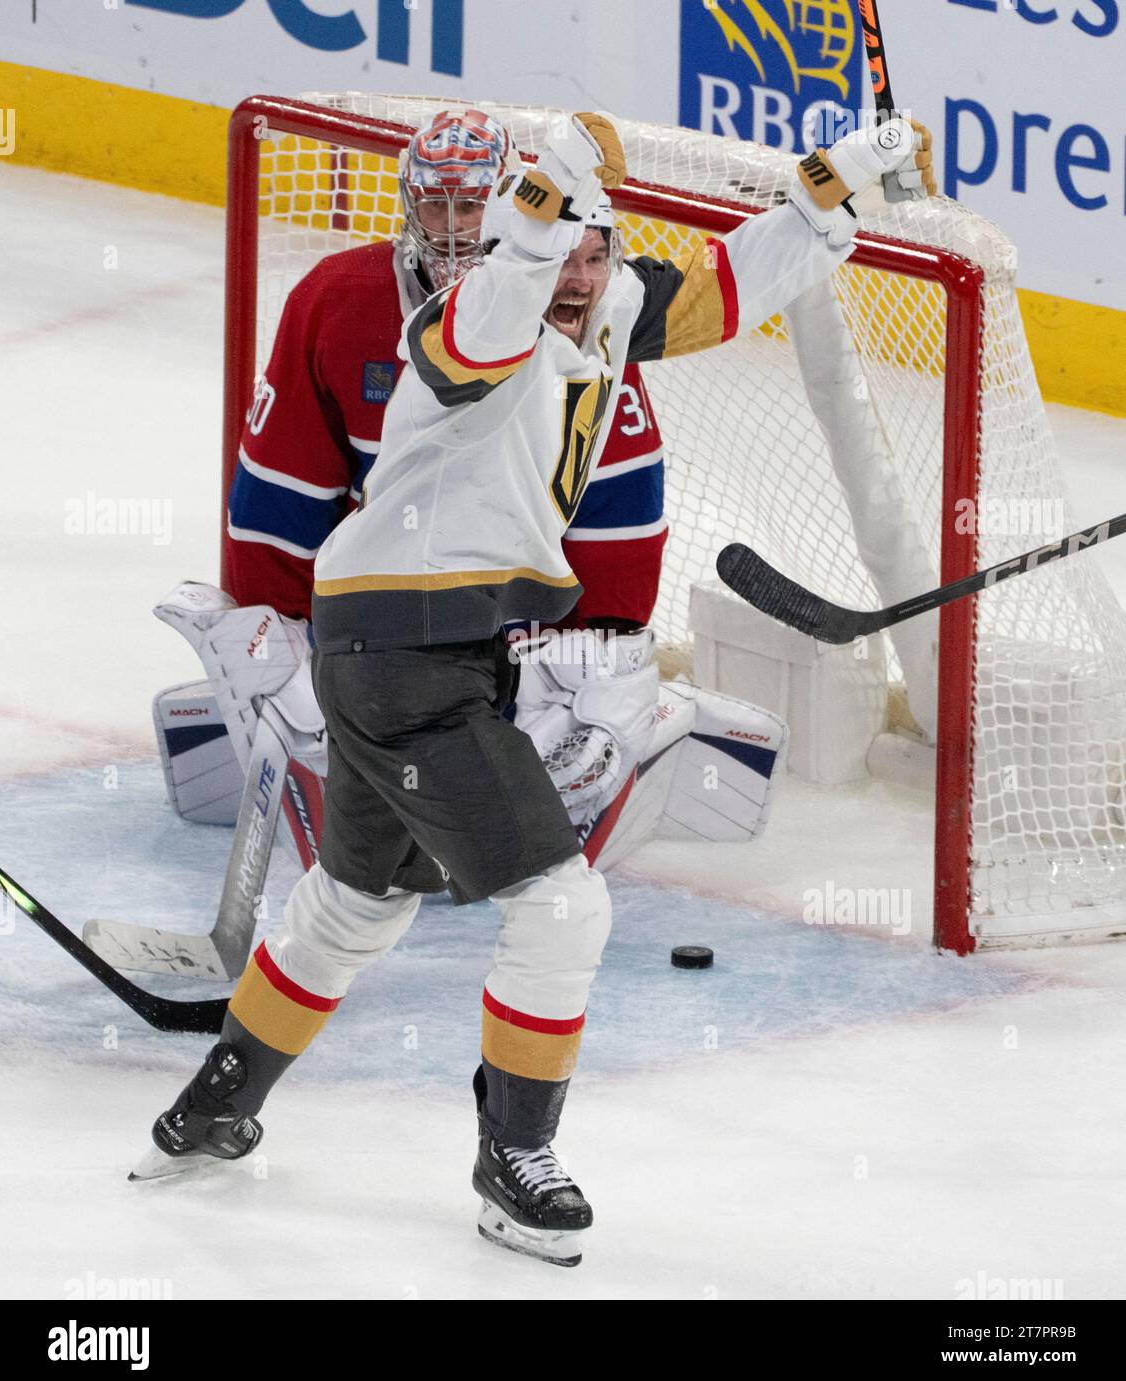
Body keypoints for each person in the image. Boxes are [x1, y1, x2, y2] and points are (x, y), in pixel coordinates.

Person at [133, 108, 934, 1267]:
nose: (577, 280)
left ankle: (212, 1105)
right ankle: (515, 1161)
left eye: (595, 258)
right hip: (401, 656)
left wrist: (839, 181)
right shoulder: (467, 320)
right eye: (558, 257)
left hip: (427, 651)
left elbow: (729, 281)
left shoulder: (603, 305)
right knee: (563, 907)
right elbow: (505, 293)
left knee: (357, 905)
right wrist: (547, 188)